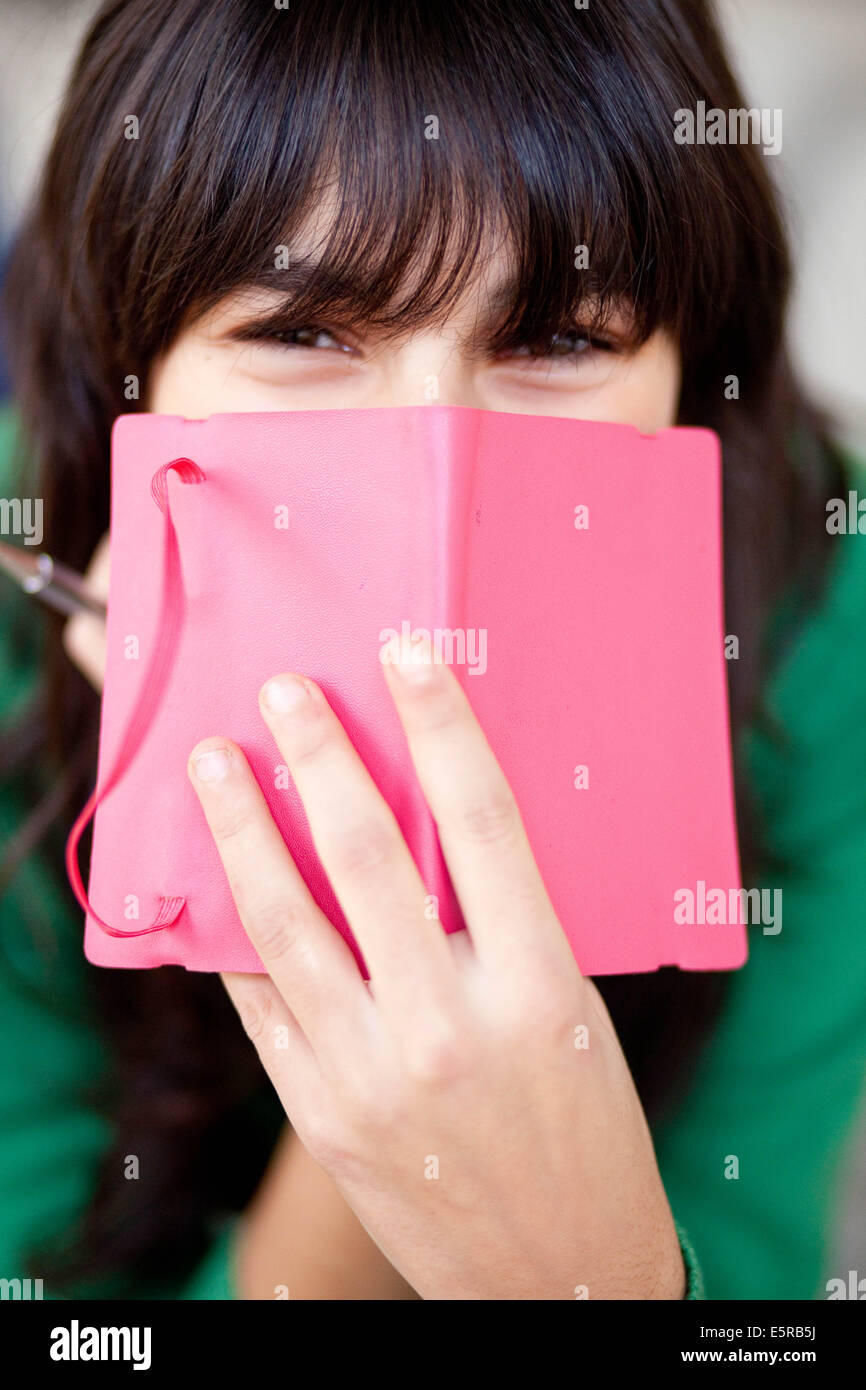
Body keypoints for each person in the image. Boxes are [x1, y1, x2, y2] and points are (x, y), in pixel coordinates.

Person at [0, 0, 864, 1300]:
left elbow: (750, 1272)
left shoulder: (826, 615)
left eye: (560, 338)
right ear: (122, 366)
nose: (434, 472)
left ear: (692, 384)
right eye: (301, 333)